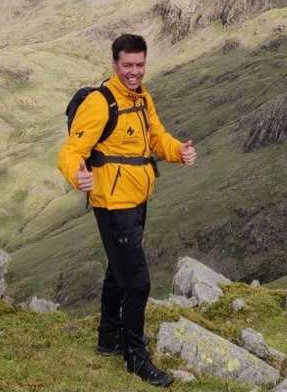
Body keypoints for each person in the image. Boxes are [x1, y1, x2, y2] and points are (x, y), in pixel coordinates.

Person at [57, 33, 196, 388]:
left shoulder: (142, 97)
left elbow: (156, 138)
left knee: (117, 270)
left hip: (137, 199)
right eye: (128, 65)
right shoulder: (100, 103)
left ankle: (108, 339)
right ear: (115, 64)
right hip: (112, 204)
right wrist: (76, 174)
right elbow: (71, 150)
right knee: (138, 281)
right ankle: (135, 356)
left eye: (140, 65)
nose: (134, 72)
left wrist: (178, 151)